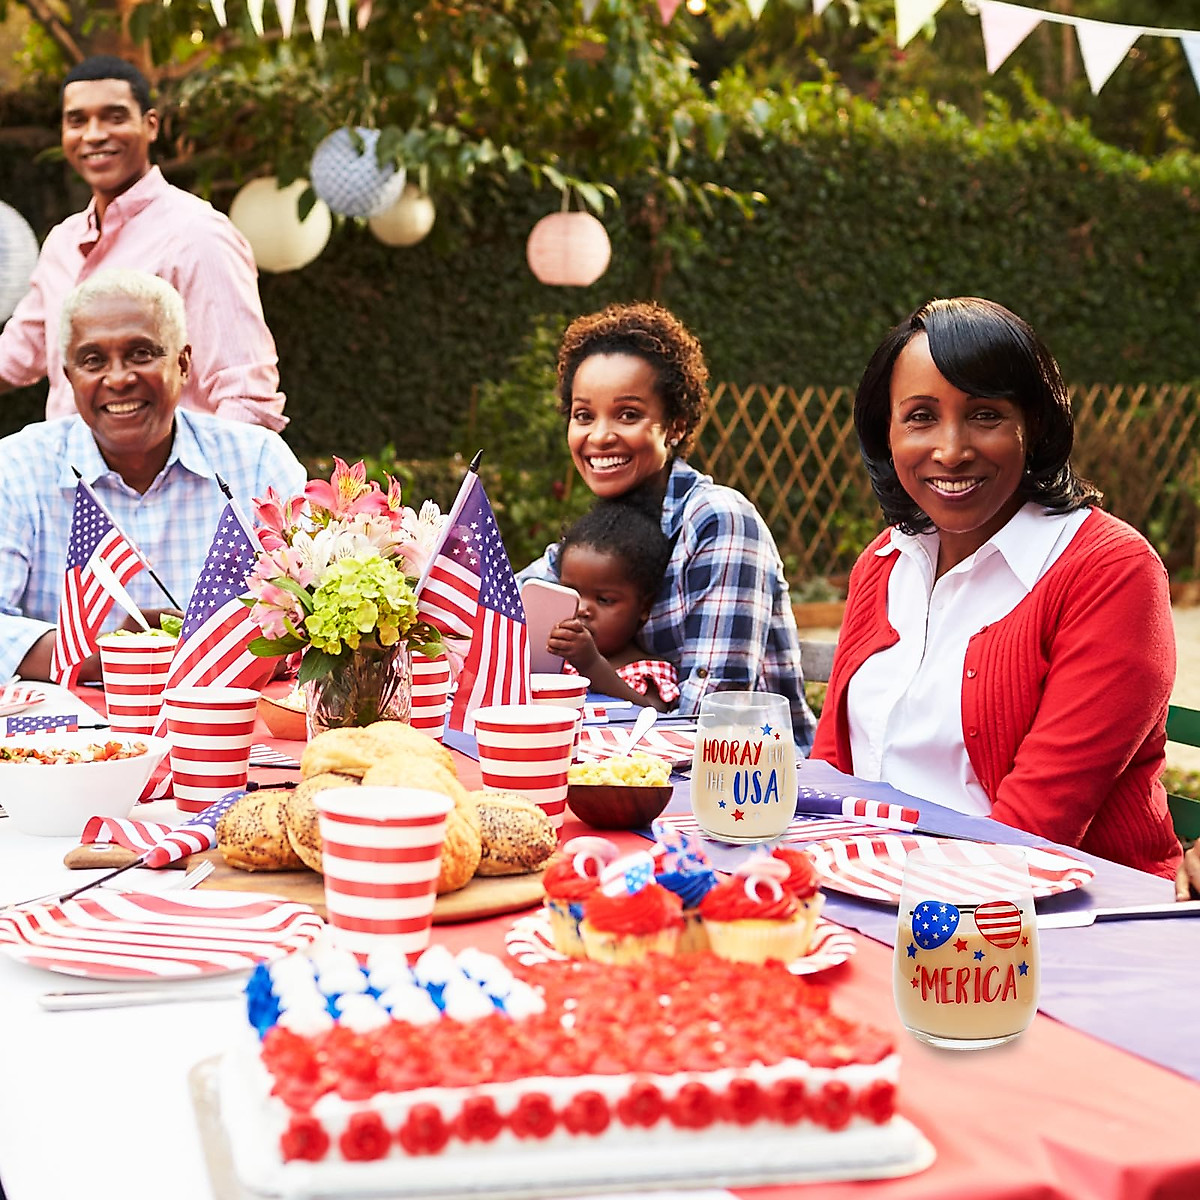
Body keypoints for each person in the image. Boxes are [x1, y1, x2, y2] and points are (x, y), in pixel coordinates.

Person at [810, 296, 1179, 880]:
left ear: (1033, 425)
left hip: (1055, 926)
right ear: (887, 432)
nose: (951, 450)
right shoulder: (883, 561)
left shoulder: (1109, 571)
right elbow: (830, 774)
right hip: (876, 891)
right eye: (921, 417)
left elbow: (1030, 831)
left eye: (984, 415)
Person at [517, 301, 816, 750]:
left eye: (628, 414)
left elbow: (710, 721)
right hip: (622, 766)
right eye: (584, 415)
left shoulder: (720, 524)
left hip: (751, 783)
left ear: (674, 425)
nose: (599, 436)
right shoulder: (591, 538)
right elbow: (501, 617)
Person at [0, 268, 306, 683]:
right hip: (66, 741)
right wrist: (113, 652)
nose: (120, 378)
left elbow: (312, 608)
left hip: (227, 722)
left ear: (183, 364)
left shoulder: (256, 462)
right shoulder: (16, 468)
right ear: (70, 377)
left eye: (141, 354)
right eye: (93, 361)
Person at [0, 55, 286, 430]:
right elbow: (16, 356)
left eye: (114, 117)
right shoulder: (63, 243)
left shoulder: (198, 235)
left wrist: (208, 484)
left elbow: (248, 397)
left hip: (171, 485)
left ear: (150, 125)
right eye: (77, 120)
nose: (94, 134)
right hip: (70, 484)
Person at [547, 499, 679, 711]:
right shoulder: (554, 660)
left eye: (604, 600)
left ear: (644, 607)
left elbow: (654, 716)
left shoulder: (648, 670)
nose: (583, 609)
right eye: (572, 592)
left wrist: (591, 664)